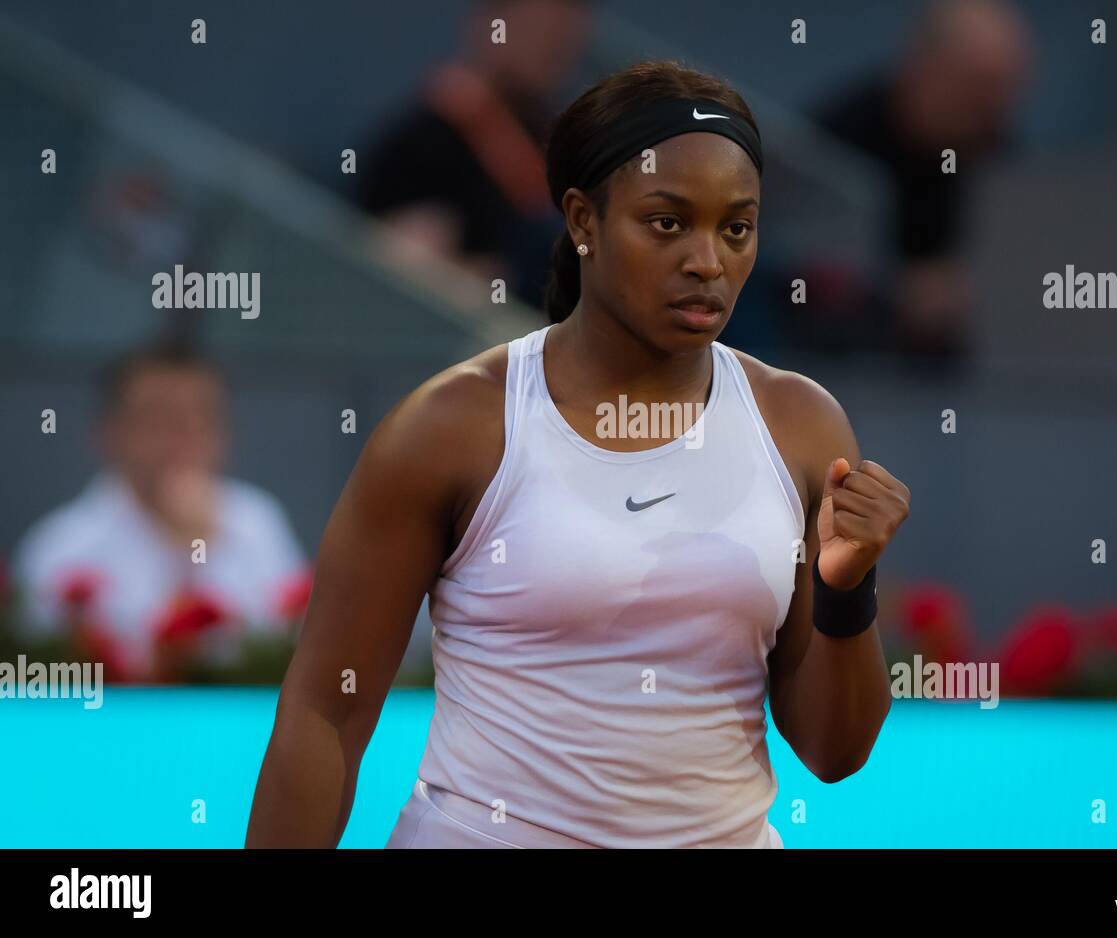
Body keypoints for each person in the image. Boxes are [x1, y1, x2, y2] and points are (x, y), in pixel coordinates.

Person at [247, 60, 909, 849]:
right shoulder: (457, 424)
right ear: (583, 221)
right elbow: (327, 708)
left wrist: (846, 589)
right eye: (667, 222)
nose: (708, 261)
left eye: (737, 227)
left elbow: (834, 753)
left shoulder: (802, 424)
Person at [11, 341, 308, 681]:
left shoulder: (259, 523)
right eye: (158, 417)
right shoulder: (60, 546)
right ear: (109, 432)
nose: (181, 436)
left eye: (200, 417)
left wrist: (193, 552)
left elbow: (287, 651)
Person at [814, 0, 1031, 361]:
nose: (993, 110)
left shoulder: (997, 157)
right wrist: (898, 293)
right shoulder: (835, 149)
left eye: (1006, 90)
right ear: (925, 69)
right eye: (979, 88)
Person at [355, 0, 593, 311]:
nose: (551, 46)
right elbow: (404, 276)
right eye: (538, 28)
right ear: (488, 22)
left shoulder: (560, 139)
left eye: (563, 36)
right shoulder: (425, 143)